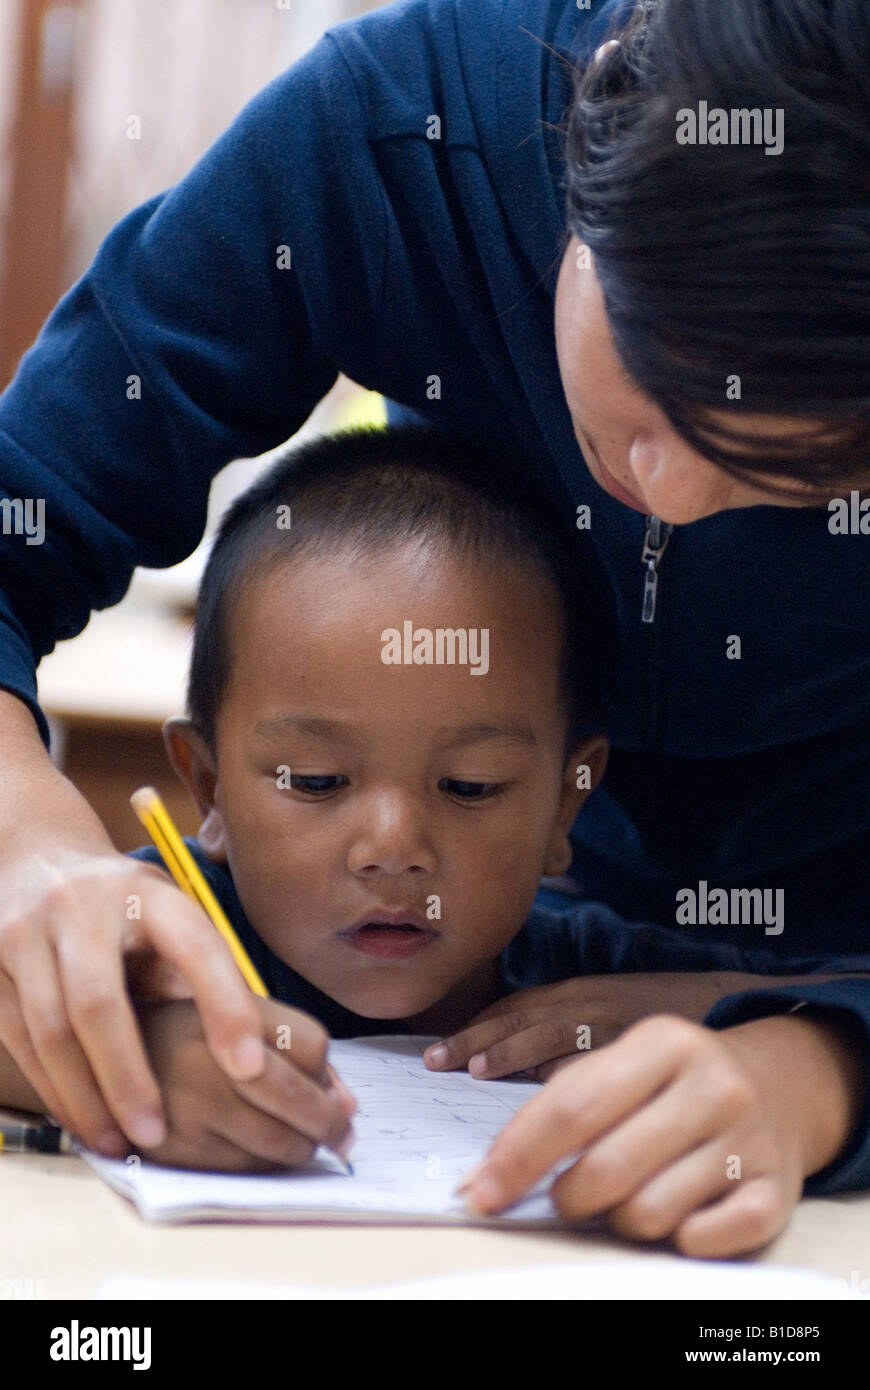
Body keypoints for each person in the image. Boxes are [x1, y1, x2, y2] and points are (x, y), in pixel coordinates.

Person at [0, 0, 869, 1254]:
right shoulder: (391, 136)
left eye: (806, 474)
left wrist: (813, 1062)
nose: (670, 493)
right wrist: (30, 865)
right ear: (597, 121)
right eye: (656, 378)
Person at [1, 423, 861, 1243]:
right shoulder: (159, 942)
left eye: (469, 786)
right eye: (317, 781)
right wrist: (125, 1055)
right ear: (208, 785)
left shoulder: (605, 988)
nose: (392, 847)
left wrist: (751, 1026)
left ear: (568, 802)